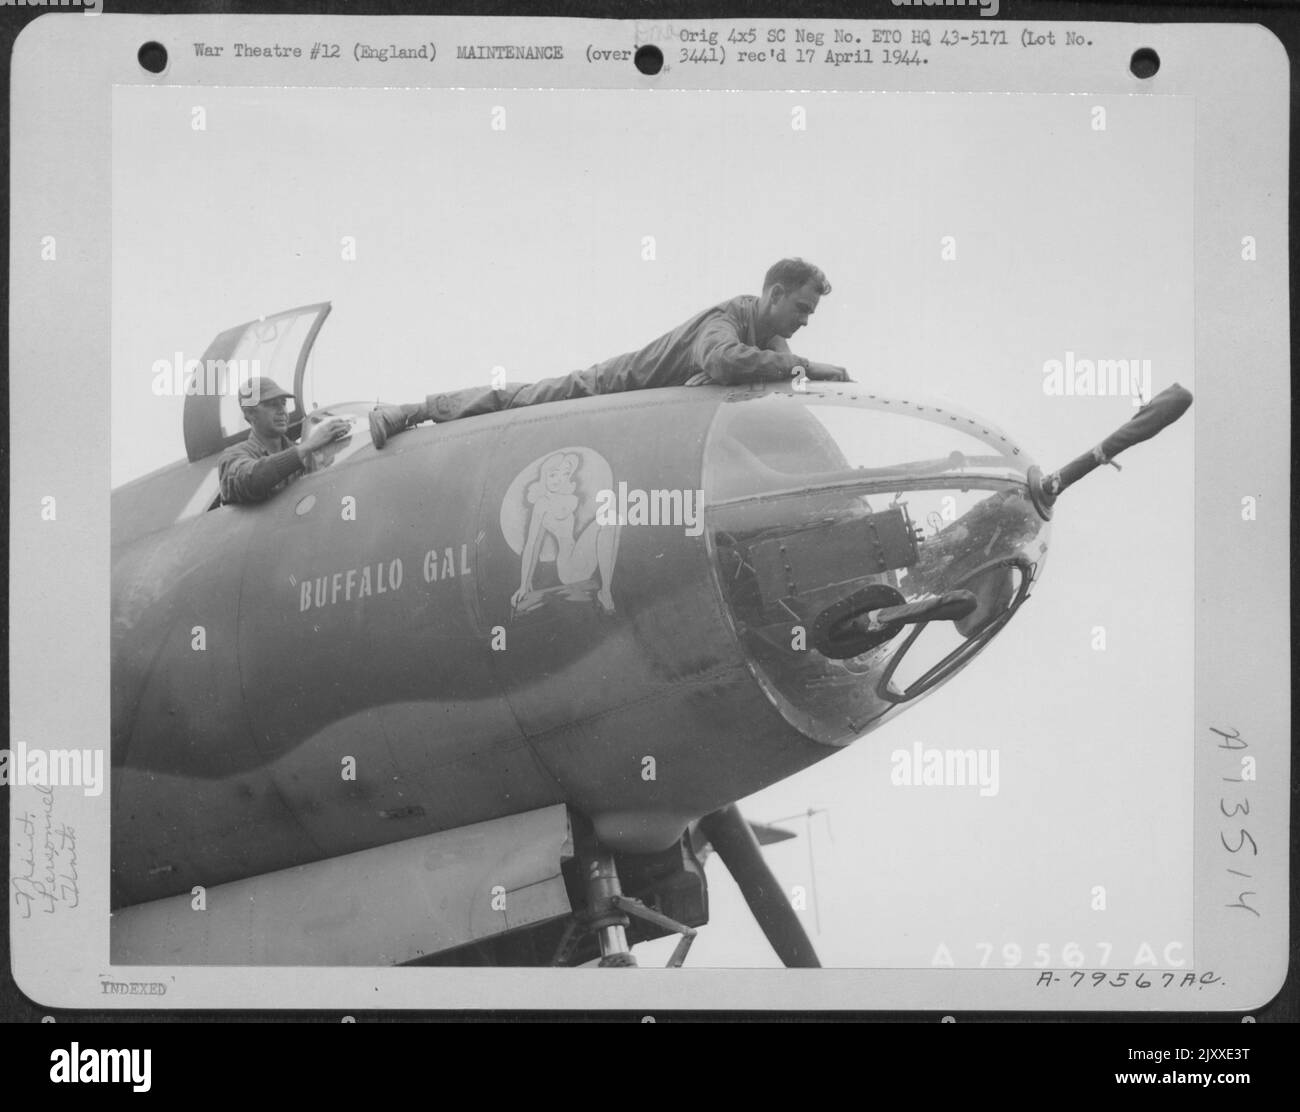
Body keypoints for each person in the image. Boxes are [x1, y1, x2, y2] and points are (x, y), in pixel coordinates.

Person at [369, 258, 849, 448]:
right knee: (522, 399)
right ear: (775, 293)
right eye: (802, 309)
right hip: (613, 386)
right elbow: (721, 360)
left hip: (643, 416)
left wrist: (813, 373)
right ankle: (409, 412)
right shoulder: (728, 319)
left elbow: (784, 373)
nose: (805, 321)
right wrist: (808, 366)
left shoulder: (770, 340)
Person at [217, 377, 350, 504]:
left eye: (283, 403)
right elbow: (251, 479)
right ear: (250, 413)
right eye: (272, 404)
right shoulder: (232, 457)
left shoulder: (306, 453)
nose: (282, 411)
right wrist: (308, 445)